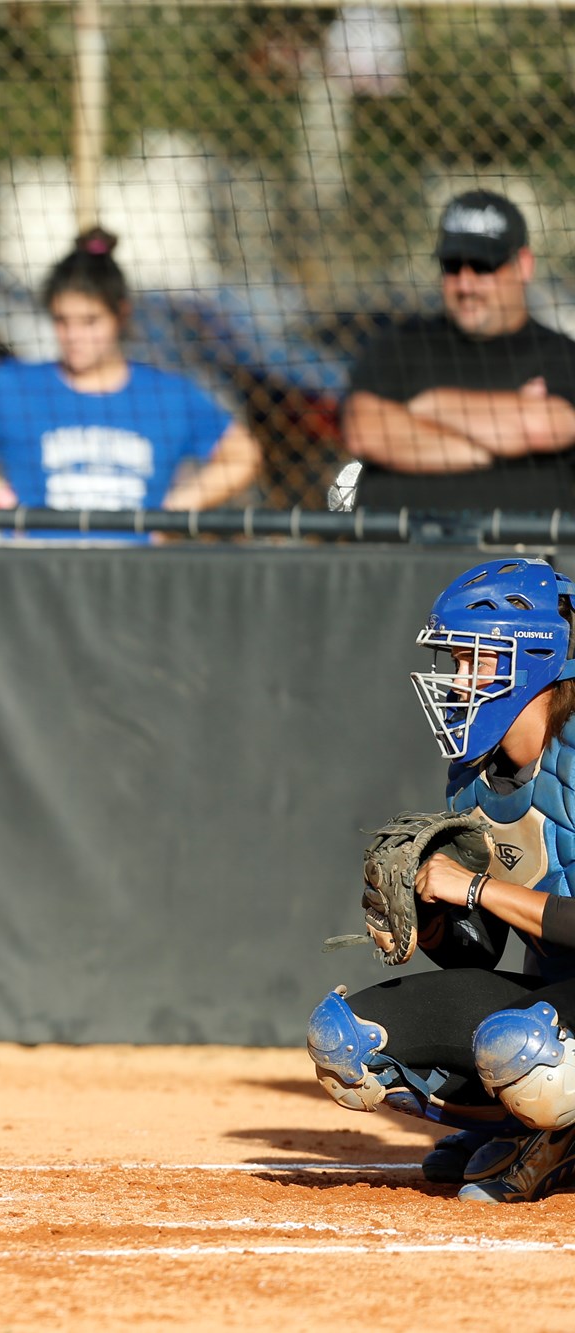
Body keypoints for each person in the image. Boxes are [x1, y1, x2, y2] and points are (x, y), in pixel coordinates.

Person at [307, 556, 575, 1204]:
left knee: (523, 1049)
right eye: (453, 661)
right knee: (343, 1041)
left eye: (471, 659)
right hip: (556, 993)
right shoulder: (471, 771)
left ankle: (558, 1136)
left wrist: (477, 889)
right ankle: (527, 1122)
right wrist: (429, 914)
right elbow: (478, 950)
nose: (456, 680)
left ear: (533, 658)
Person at [0, 229, 259, 518]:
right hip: (43, 566)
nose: (75, 336)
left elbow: (242, 456)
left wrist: (174, 512)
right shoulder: (15, 386)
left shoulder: (167, 395)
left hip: (133, 570)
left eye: (90, 321)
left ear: (121, 315)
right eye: (63, 321)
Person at [342, 191, 575, 512]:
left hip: (526, 555)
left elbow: (544, 426)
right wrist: (491, 448)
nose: (465, 286)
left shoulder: (560, 354)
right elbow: (366, 432)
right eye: (452, 266)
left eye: (482, 266)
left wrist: (429, 406)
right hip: (401, 553)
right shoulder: (399, 344)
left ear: (523, 265)